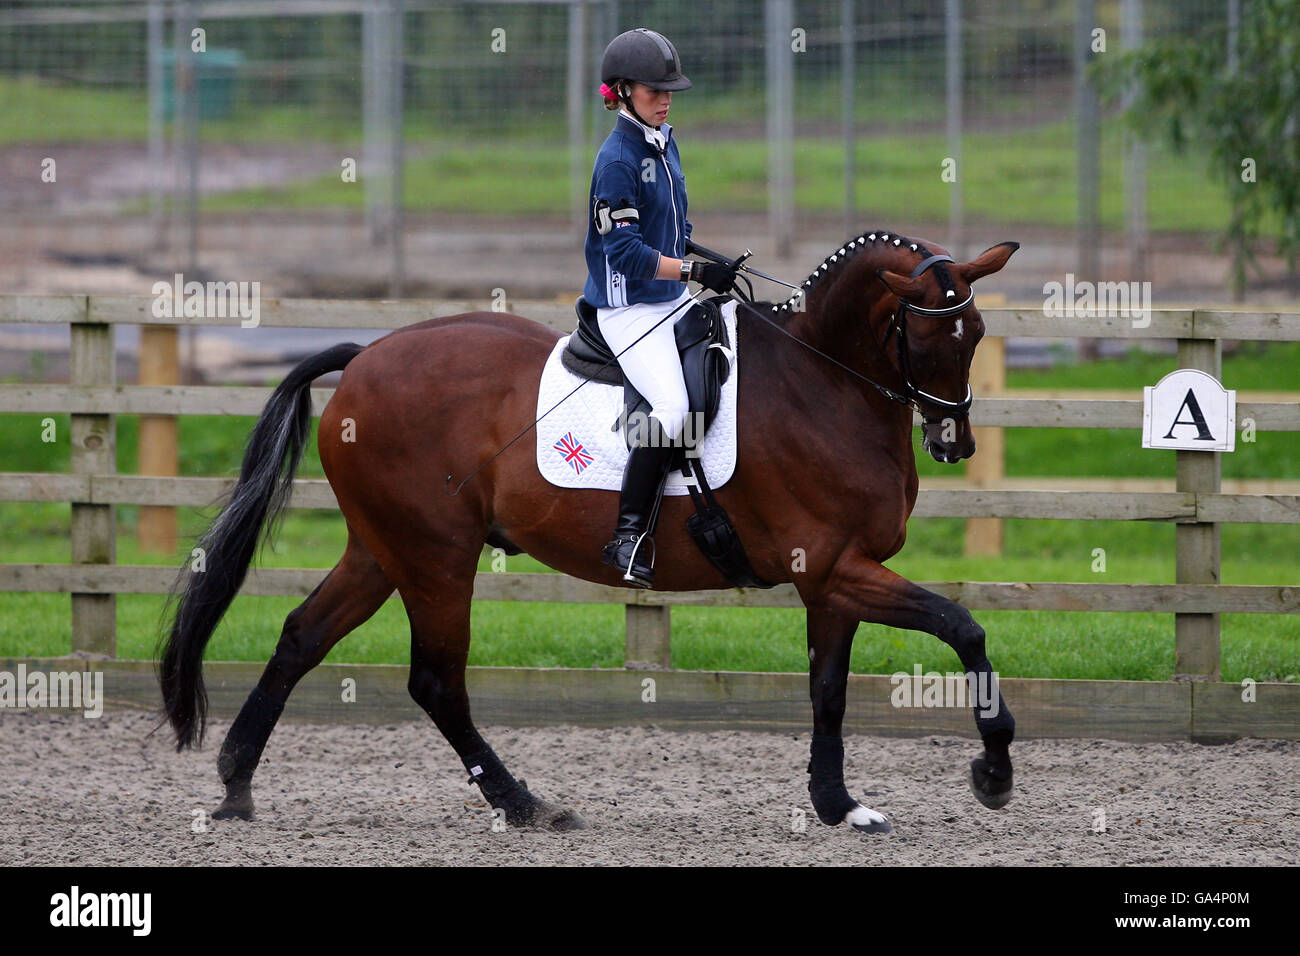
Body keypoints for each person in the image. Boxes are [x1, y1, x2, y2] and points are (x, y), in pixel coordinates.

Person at [584, 27, 740, 589]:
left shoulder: (661, 140)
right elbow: (625, 253)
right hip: (629, 308)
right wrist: (697, 272)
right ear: (622, 90)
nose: (666, 97)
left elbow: (673, 228)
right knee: (673, 410)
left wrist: (704, 255)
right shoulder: (617, 159)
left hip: (668, 297)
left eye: (670, 88)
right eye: (655, 89)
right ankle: (629, 536)